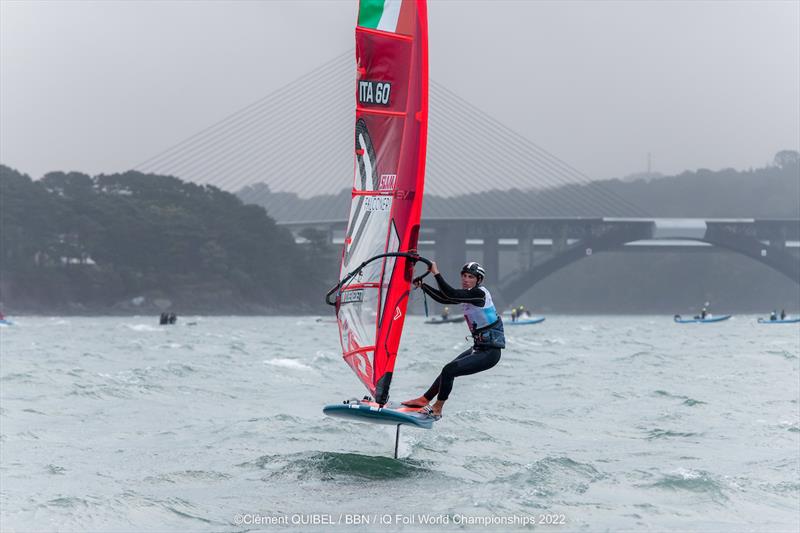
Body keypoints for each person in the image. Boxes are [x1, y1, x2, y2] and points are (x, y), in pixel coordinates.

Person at [402, 261, 505, 418]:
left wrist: (436, 273)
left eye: (470, 277)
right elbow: (445, 298)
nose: (465, 279)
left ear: (478, 280)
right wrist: (423, 286)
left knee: (449, 370)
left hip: (490, 353)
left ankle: (437, 408)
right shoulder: (469, 295)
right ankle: (425, 399)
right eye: (464, 276)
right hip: (479, 348)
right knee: (448, 369)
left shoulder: (479, 294)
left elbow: (450, 293)